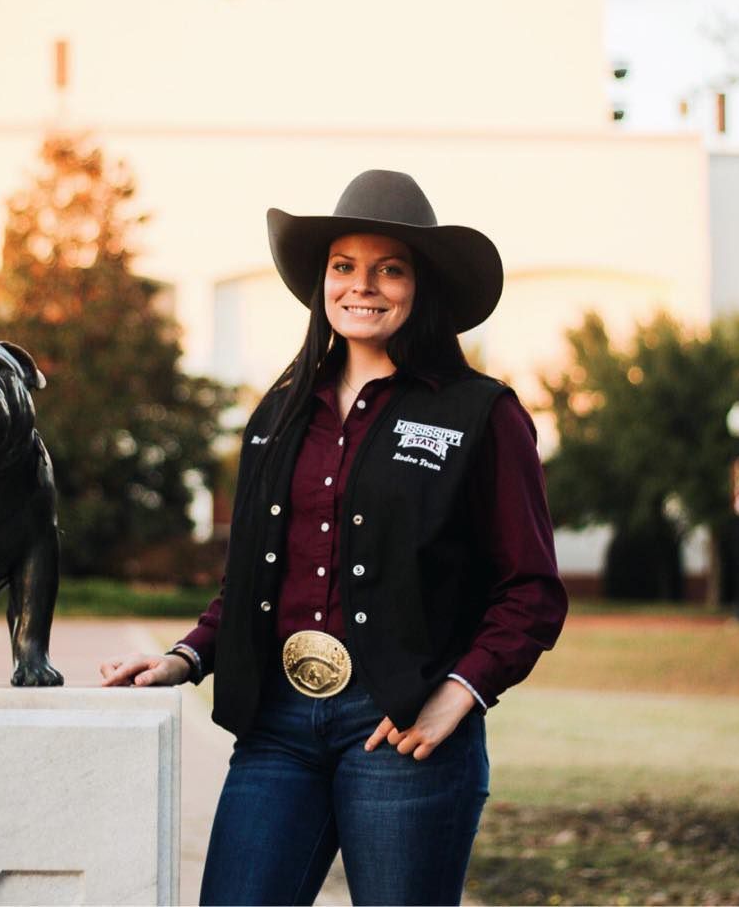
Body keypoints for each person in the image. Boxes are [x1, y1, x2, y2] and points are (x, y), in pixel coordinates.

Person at [100, 169, 568, 906]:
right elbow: (250, 580)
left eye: (390, 269)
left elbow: (531, 592)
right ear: (323, 282)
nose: (364, 286)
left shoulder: (482, 414)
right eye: (344, 267)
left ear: (423, 287)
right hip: (276, 729)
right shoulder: (280, 412)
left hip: (401, 729)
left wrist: (460, 693)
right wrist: (185, 658)